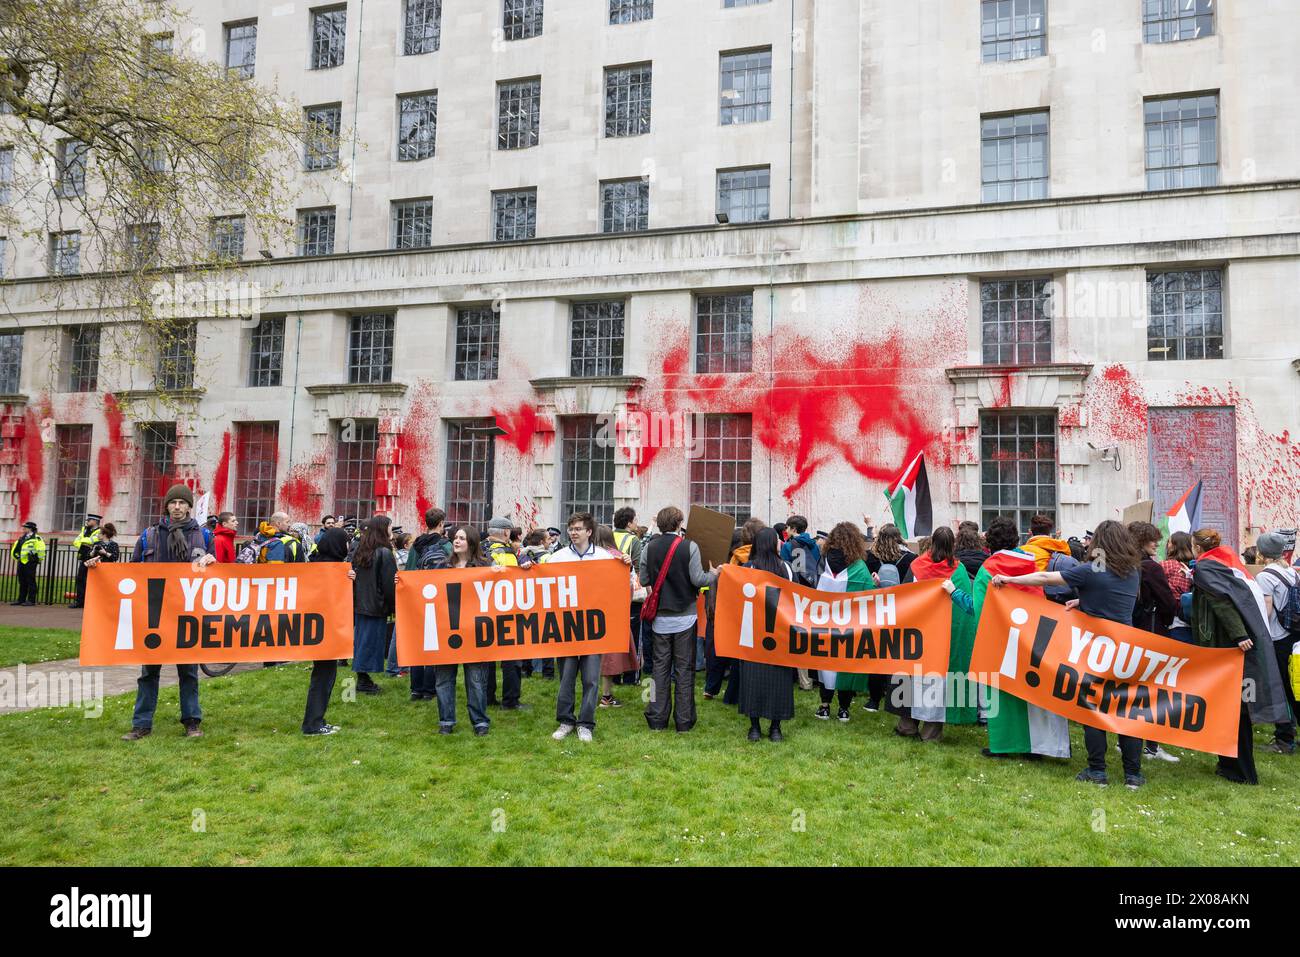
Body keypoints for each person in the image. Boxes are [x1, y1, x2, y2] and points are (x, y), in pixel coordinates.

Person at [993, 520, 1145, 788]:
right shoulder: (1133, 572)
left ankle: (1097, 771)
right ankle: (1133, 775)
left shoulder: (1090, 571)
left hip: (1096, 649)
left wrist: (1009, 579)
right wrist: (1084, 602)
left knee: (1092, 710)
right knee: (1125, 712)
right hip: (1126, 648)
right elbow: (1115, 601)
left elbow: (1044, 578)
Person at [110, 484, 214, 740]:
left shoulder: (204, 536)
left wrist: (213, 562)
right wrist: (99, 568)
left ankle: (192, 722)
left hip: (187, 613)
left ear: (189, 506)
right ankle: (141, 724)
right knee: (149, 673)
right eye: (173, 503)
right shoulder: (149, 535)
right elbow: (133, 571)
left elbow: (219, 576)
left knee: (188, 672)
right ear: (167, 506)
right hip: (154, 613)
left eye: (182, 503)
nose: (177, 507)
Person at [1190, 528, 1291, 784]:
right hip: (1235, 645)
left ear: (1198, 547)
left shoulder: (1205, 568)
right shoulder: (1226, 560)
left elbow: (1222, 602)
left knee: (1233, 710)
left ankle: (1241, 771)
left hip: (1226, 646)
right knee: (1232, 709)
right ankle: (1228, 765)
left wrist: (1238, 635)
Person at [975, 516, 1070, 759]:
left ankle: (1003, 744)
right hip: (1032, 634)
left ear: (990, 542)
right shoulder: (1031, 565)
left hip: (999, 636)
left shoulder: (989, 568)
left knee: (1001, 691)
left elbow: (979, 609)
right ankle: (1035, 746)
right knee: (1030, 689)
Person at [547, 512, 632, 742]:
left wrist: (625, 566)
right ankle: (566, 720)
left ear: (589, 532)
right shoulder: (558, 557)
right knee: (566, 677)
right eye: (571, 528)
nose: (573, 533)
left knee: (591, 679)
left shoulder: (604, 557)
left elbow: (625, 584)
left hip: (594, 630)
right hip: (567, 628)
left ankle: (585, 723)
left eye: (578, 529)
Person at [895, 526, 977, 741]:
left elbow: (902, 596)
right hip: (943, 635)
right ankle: (931, 732)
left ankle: (907, 725)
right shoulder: (958, 572)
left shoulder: (915, 566)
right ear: (953, 545)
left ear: (932, 543)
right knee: (937, 681)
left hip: (918, 631)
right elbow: (965, 610)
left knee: (913, 676)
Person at [640, 506, 717, 733]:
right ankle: (684, 720)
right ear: (678, 523)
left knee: (659, 670)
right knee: (684, 669)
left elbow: (644, 578)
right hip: (686, 617)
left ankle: (657, 718)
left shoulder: (649, 547)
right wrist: (713, 574)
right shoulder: (689, 546)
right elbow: (697, 579)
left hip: (660, 618)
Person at [1126, 520, 1182, 763]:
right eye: (1153, 539)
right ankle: (1151, 745)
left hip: (1128, 629)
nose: (1157, 543)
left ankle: (1126, 740)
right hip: (1153, 630)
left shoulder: (1123, 564)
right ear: (1142, 540)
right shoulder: (1152, 568)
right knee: (1155, 690)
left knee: (1131, 688)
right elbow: (1169, 603)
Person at [734, 527, 797, 741]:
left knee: (752, 678)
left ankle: (754, 728)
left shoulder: (747, 568)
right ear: (773, 543)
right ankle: (776, 728)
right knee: (780, 679)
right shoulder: (786, 568)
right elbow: (795, 599)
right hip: (779, 633)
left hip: (752, 634)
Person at [433, 526, 495, 735]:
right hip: (447, 630)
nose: (457, 541)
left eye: (462, 538)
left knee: (476, 680)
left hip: (474, 632)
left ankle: (480, 722)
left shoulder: (484, 566)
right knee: (444, 679)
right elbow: (426, 590)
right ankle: (446, 721)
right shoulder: (442, 567)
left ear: (472, 542)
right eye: (456, 538)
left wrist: (499, 574)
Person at [813, 522, 875, 721]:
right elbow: (870, 596)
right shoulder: (859, 567)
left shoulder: (822, 561)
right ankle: (844, 709)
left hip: (823, 623)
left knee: (825, 663)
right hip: (849, 625)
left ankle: (824, 706)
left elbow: (810, 586)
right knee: (845, 664)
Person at [303, 527, 355, 735]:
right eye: (346, 542)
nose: (348, 546)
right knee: (323, 677)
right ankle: (313, 724)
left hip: (320, 630)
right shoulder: (330, 568)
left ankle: (317, 720)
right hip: (326, 632)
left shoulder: (318, 564)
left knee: (324, 676)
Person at [1255, 531, 1299, 755]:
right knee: (1295, 689)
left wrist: (1258, 633)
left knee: (1280, 690)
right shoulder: (1291, 572)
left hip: (1277, 638)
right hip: (1294, 637)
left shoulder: (1265, 576)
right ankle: (1290, 735)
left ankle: (1284, 739)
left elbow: (1267, 608)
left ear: (1262, 553)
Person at [406, 508, 452, 701]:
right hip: (439, 597)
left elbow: (409, 570)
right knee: (435, 643)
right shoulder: (446, 545)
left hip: (418, 596)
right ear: (441, 523)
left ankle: (416, 688)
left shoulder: (416, 544)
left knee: (418, 643)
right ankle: (430, 688)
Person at [351, 516, 397, 696]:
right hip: (376, 604)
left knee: (363, 641)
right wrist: (394, 605)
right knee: (370, 643)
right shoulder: (384, 553)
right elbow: (388, 584)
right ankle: (363, 680)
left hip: (362, 603)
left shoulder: (363, 549)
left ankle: (363, 677)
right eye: (390, 527)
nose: (391, 531)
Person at [597, 524, 642, 708]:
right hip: (613, 614)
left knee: (594, 657)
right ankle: (606, 696)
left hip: (593, 613)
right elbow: (630, 585)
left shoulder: (588, 557)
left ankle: (595, 694)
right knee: (609, 658)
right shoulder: (618, 558)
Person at [612, 507, 643, 686]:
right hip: (630, 594)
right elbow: (638, 568)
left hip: (611, 594)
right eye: (635, 520)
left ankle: (615, 675)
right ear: (629, 522)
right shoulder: (633, 540)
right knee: (633, 636)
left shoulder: (608, 537)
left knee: (615, 638)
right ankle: (631, 677)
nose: (636, 523)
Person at [1160, 531, 1197, 643]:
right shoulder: (1194, 567)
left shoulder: (1167, 565)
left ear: (1175, 546)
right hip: (1192, 622)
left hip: (1173, 621)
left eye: (1170, 542)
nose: (1167, 545)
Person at [69, 512, 102, 607]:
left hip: (93, 559)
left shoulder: (100, 531)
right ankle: (80, 602)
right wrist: (85, 543)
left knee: (92, 581)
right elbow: (76, 542)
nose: (87, 521)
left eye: (89, 520)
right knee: (80, 580)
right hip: (84, 558)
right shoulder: (85, 530)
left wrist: (83, 542)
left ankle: (91, 602)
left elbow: (92, 541)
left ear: (95, 521)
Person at [780, 515, 822, 587]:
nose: (786, 531)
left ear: (794, 529)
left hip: (796, 588)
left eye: (787, 527)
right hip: (813, 585)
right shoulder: (815, 545)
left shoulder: (787, 546)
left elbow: (784, 570)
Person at [9, 521, 45, 606]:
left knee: (30, 581)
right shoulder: (22, 537)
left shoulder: (37, 538)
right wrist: (16, 557)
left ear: (30, 529)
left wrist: (38, 560)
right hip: (21, 561)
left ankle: (31, 600)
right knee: (22, 581)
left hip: (30, 562)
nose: (23, 528)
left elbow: (41, 550)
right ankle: (21, 600)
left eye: (25, 527)